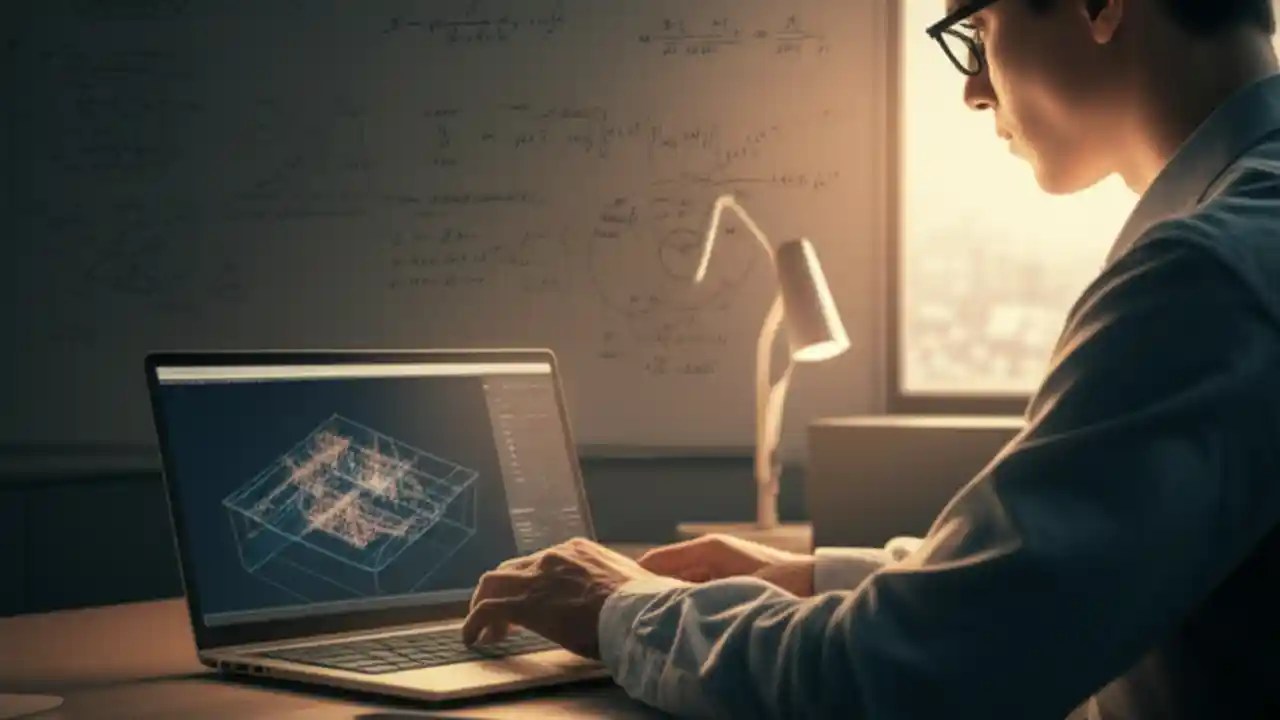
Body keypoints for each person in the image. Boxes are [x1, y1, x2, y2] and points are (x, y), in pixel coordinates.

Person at [461, 0, 1280, 716]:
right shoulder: (1245, 239)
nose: (973, 89)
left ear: (1099, 4)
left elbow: (915, 678)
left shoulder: (1208, 277)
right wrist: (817, 575)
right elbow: (1066, 583)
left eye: (977, 29)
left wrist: (618, 610)